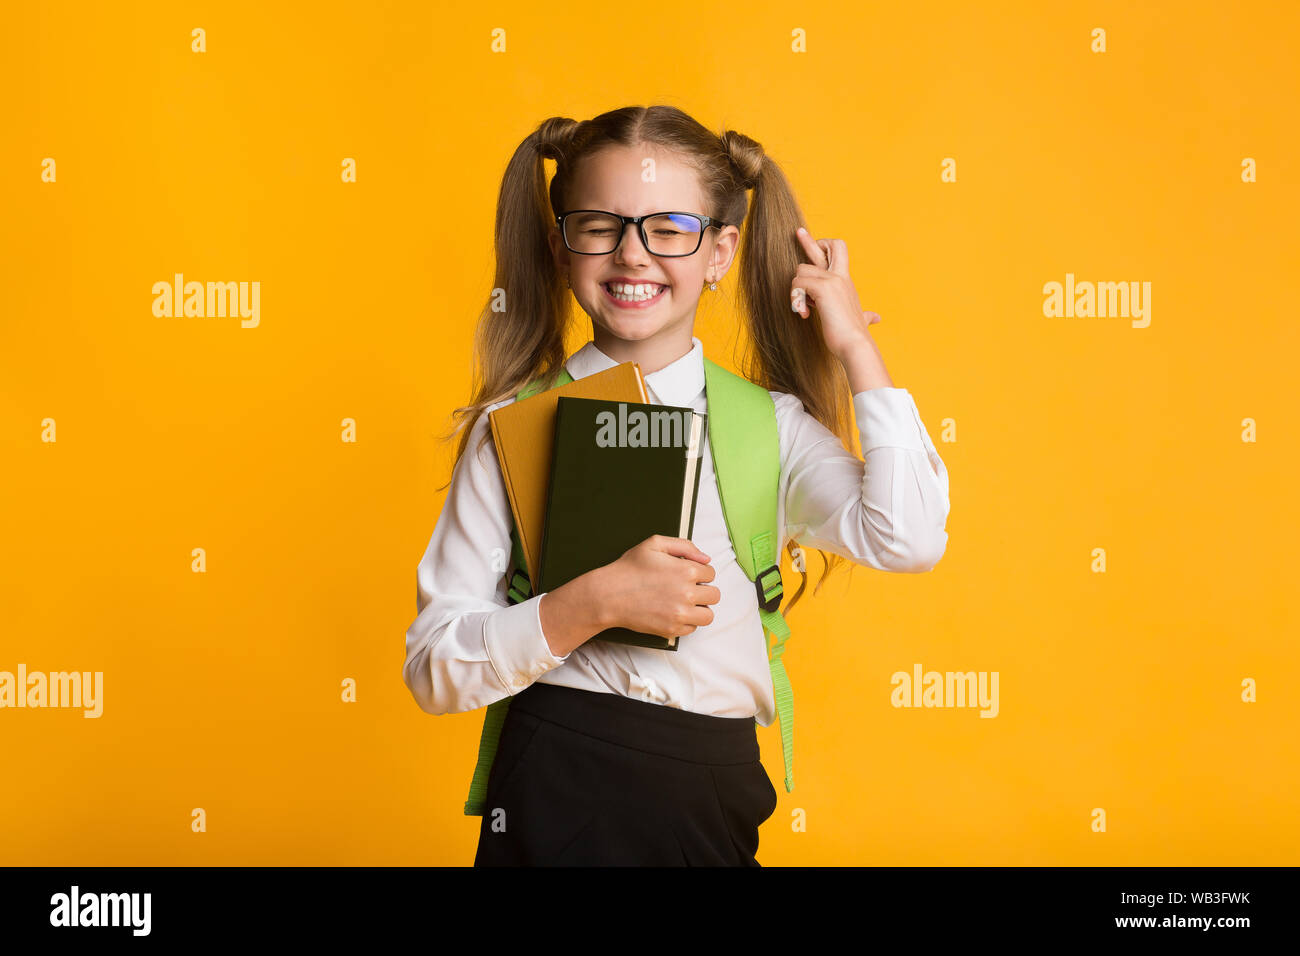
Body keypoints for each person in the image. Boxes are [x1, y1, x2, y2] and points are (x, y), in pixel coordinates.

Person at [402, 104, 951, 865]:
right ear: (563, 247)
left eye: (669, 229)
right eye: (599, 226)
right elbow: (434, 668)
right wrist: (585, 606)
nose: (633, 256)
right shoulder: (513, 427)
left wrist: (856, 346)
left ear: (721, 251)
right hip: (551, 779)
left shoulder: (771, 429)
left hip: (708, 792)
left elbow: (910, 537)